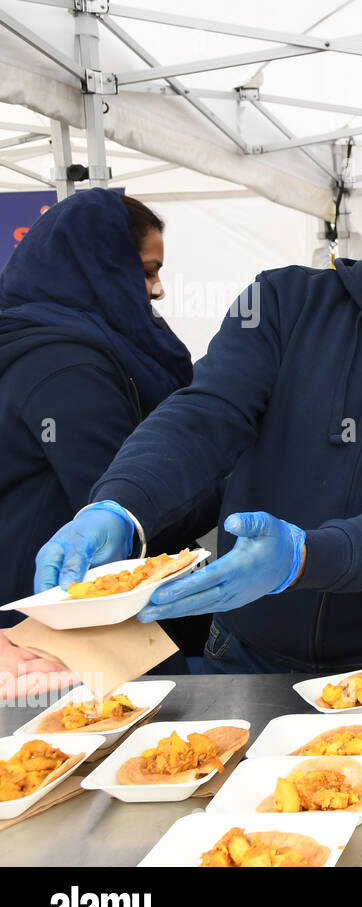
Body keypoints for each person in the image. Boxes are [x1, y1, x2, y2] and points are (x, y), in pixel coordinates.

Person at [32, 97, 362, 674]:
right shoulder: (283, 302)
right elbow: (208, 413)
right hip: (240, 655)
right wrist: (120, 504)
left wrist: (305, 557)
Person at [0, 190, 214, 651]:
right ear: (100, 269)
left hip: (66, 605)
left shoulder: (55, 343)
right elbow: (126, 494)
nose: (158, 288)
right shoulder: (65, 365)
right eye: (147, 271)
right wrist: (231, 474)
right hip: (70, 614)